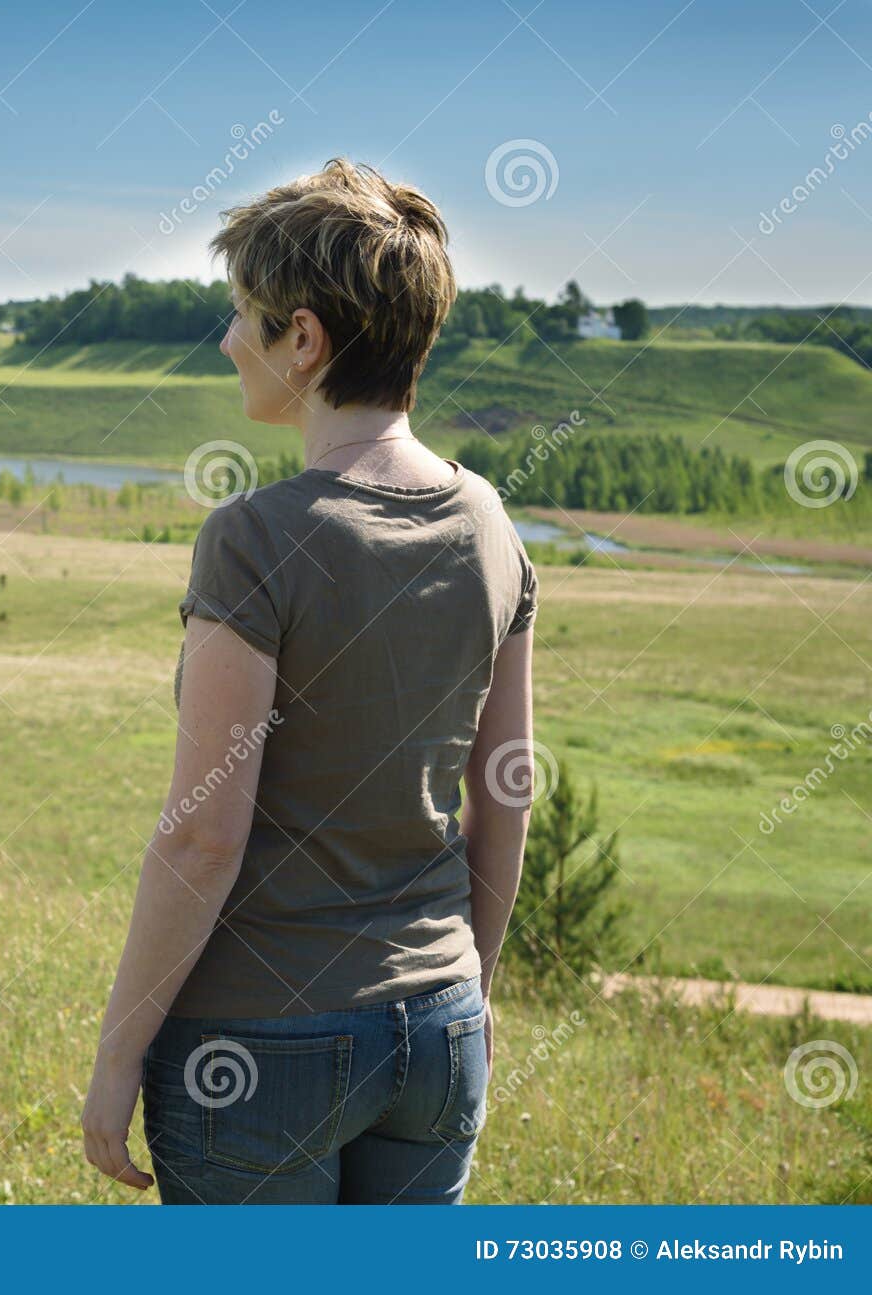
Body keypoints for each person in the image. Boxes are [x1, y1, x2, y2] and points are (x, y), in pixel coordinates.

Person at [82, 158, 537, 1204]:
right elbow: (506, 788)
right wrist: (468, 982)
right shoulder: (489, 522)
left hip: (257, 1045)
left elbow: (204, 834)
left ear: (303, 339)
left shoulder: (253, 538)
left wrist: (117, 1053)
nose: (225, 340)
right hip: (441, 1026)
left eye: (241, 314)